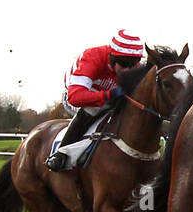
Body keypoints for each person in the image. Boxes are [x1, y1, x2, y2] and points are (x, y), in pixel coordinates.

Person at [45, 29, 146, 171]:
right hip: (76, 96)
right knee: (93, 108)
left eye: (134, 63)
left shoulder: (135, 68)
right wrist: (108, 95)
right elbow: (75, 97)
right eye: (124, 63)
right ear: (112, 57)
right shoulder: (92, 57)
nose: (128, 69)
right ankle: (60, 154)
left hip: (106, 97)